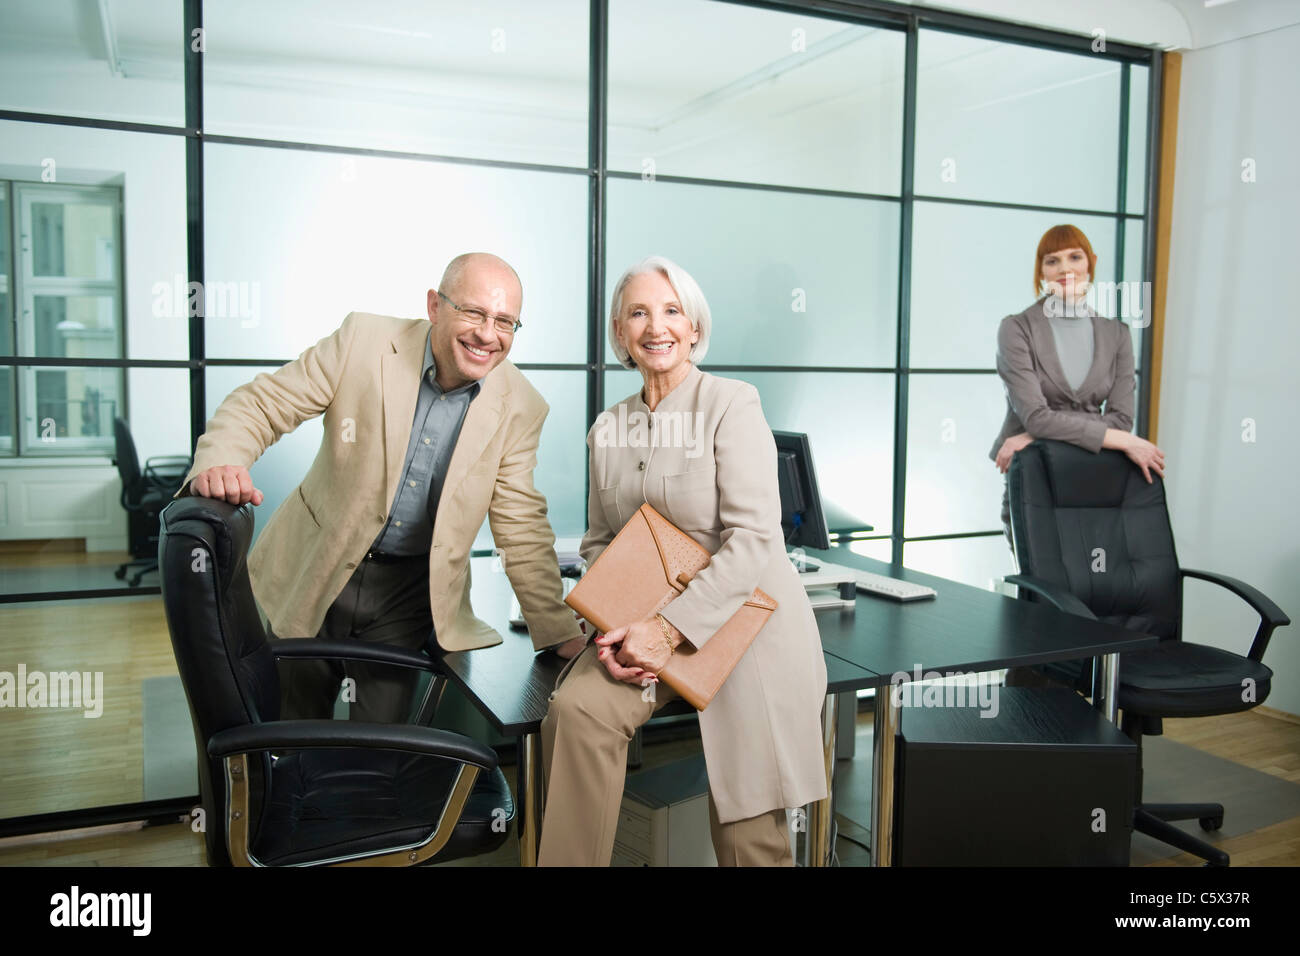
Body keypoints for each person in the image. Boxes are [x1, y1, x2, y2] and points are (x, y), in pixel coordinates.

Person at [176, 252, 586, 723]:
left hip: (406, 598)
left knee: (375, 752)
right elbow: (263, 404)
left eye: (505, 322)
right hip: (316, 566)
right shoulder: (363, 341)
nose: (487, 334)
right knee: (287, 732)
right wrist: (221, 459)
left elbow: (520, 525)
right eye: (473, 312)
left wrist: (554, 628)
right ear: (435, 305)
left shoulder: (521, 406)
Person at [538, 256, 828, 867]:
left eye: (672, 311)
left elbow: (754, 539)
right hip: (644, 628)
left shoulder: (732, 403)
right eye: (639, 313)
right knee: (577, 710)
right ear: (620, 332)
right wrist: (619, 632)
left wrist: (667, 631)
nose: (656, 326)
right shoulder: (606, 428)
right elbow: (598, 542)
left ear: (694, 328)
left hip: (748, 627)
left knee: (749, 833)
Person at [990, 224, 1166, 552]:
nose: (1065, 268)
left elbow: (1121, 418)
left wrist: (1032, 435)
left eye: (1075, 257)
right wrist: (1123, 441)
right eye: (1052, 260)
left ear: (1091, 262)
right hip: (1034, 479)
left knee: (1094, 588)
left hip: (1094, 478)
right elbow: (1037, 416)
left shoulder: (1118, 334)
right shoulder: (1016, 329)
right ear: (1040, 270)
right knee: (1042, 594)